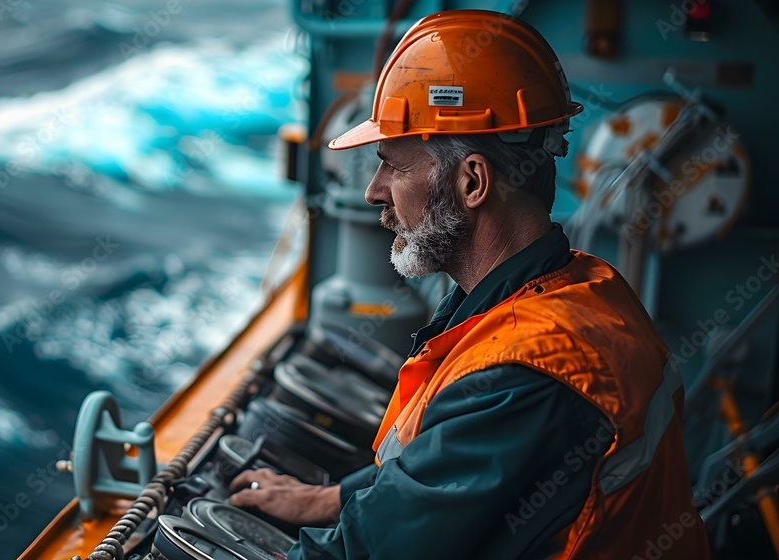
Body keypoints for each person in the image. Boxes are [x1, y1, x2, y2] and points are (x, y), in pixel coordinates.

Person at [229, 10, 711, 559]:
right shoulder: (581, 287)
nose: (374, 191)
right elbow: (440, 468)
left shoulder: (526, 374)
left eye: (393, 167)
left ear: (473, 181)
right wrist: (330, 499)